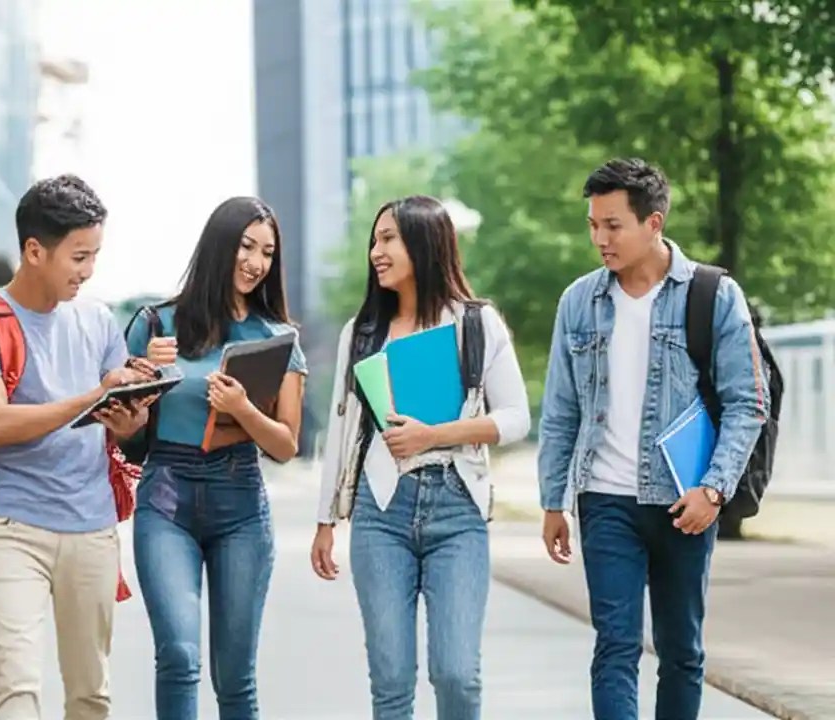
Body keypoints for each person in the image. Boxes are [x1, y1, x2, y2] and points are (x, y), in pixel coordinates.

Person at [537, 158, 770, 720]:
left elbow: (748, 402)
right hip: (605, 499)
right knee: (614, 646)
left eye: (612, 225)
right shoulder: (579, 302)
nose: (600, 239)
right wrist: (553, 501)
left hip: (683, 501)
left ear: (654, 222)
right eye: (593, 225)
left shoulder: (713, 295)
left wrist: (713, 491)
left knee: (681, 651)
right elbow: (561, 411)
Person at [312, 195, 531, 720]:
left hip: (457, 510)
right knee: (390, 681)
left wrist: (434, 435)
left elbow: (516, 418)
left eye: (389, 238)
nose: (375, 251)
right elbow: (342, 429)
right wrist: (325, 520)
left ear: (426, 243)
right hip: (379, 512)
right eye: (375, 239)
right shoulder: (361, 332)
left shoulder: (478, 325)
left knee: (457, 673)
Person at [0, 174, 153, 720]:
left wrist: (130, 415)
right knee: (16, 687)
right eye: (79, 256)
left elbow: (117, 423)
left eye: (95, 256)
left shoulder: (97, 319)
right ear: (34, 251)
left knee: (91, 694)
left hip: (91, 526)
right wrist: (91, 396)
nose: (88, 271)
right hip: (14, 526)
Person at [124, 196, 307, 720]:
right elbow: (116, 424)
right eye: (247, 246)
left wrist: (243, 408)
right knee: (179, 655)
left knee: (235, 678)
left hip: (241, 503)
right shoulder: (154, 323)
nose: (256, 262)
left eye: (267, 253)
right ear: (219, 245)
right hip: (166, 495)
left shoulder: (277, 338)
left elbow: (285, 445)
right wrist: (140, 378)